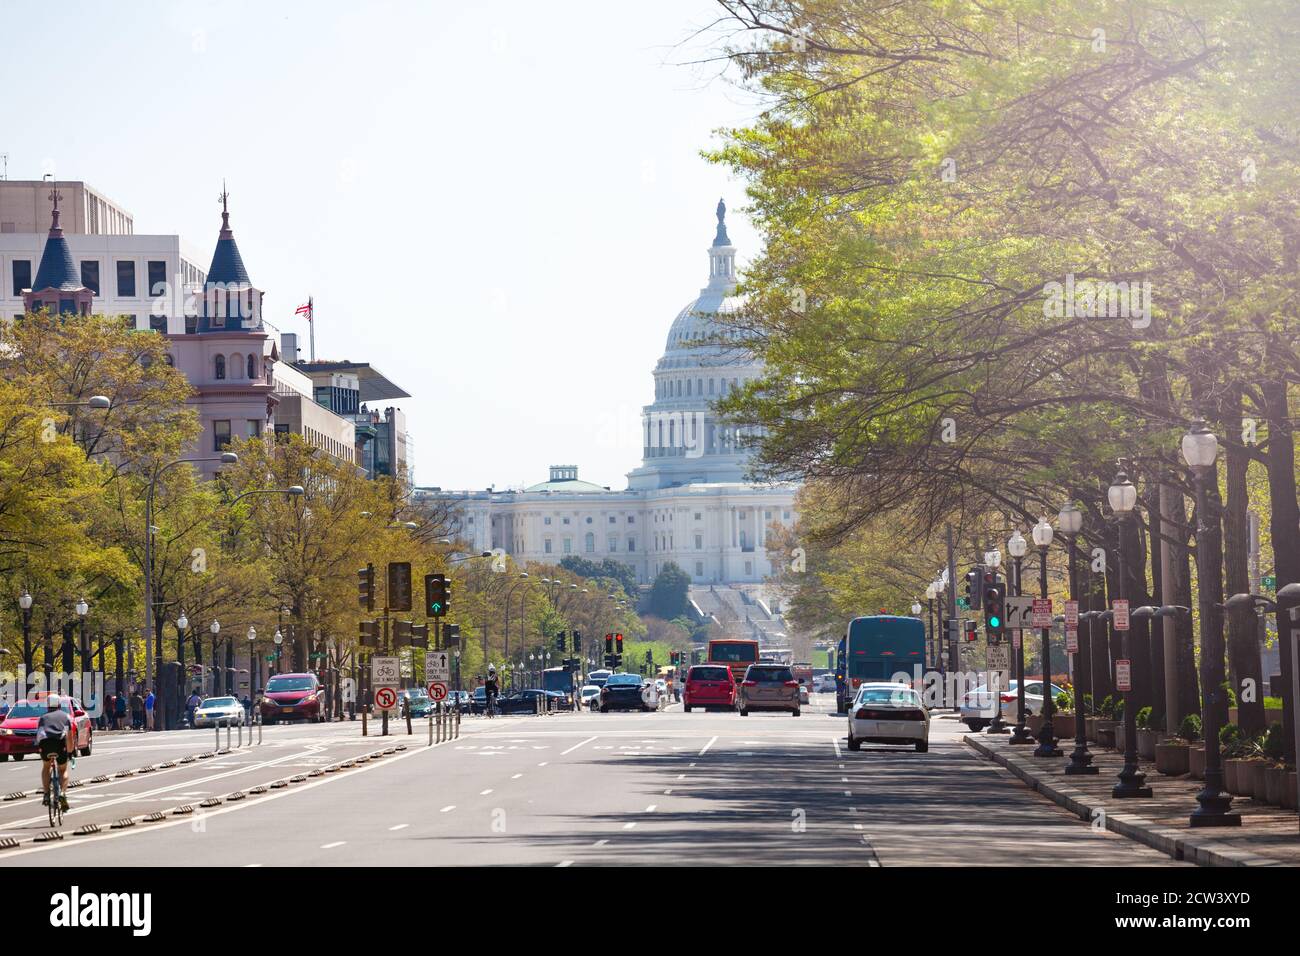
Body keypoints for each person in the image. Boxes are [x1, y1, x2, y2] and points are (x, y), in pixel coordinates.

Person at [37, 694, 73, 812]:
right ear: (59, 704)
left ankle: (46, 794)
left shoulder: (43, 718)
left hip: (45, 745)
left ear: (47, 705)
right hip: (59, 744)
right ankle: (62, 793)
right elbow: (69, 736)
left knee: (46, 766)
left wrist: (39, 748)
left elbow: (39, 734)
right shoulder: (65, 717)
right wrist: (70, 751)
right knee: (63, 769)